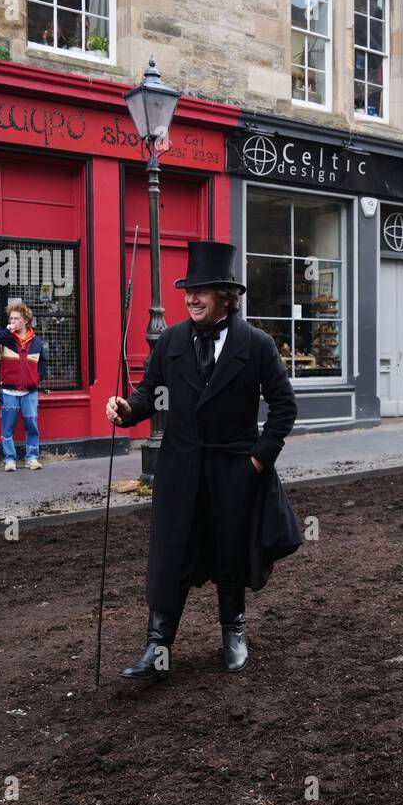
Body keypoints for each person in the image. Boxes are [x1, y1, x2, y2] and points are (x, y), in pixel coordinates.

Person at [106, 240, 300, 678]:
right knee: (169, 554)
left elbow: (284, 408)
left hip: (232, 470)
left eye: (203, 290)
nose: (192, 297)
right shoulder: (172, 338)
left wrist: (257, 461)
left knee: (230, 553)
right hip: (178, 471)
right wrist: (126, 410)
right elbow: (148, 394)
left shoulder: (256, 344)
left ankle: (233, 633)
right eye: (188, 290)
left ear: (227, 297)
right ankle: (158, 648)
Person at [0, 302, 45, 471]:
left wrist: (37, 378)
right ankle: (10, 459)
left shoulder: (37, 342)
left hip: (30, 392)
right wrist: (6, 332)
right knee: (7, 427)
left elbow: (42, 363)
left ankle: (32, 458)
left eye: (16, 318)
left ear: (25, 320)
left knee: (32, 426)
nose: (12, 321)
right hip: (9, 390)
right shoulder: (6, 338)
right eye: (11, 318)